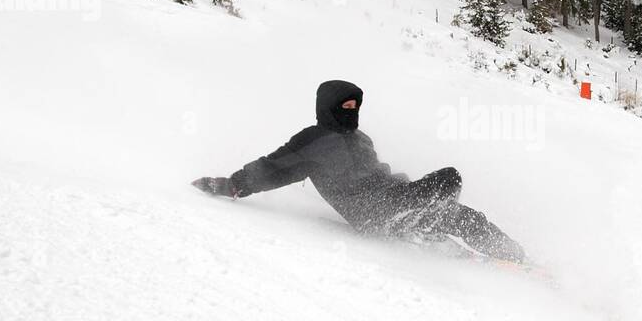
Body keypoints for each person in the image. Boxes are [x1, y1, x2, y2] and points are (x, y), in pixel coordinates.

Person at [193, 79, 526, 262]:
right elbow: (274, 168)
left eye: (356, 106)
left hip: (394, 199)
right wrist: (231, 185)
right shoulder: (313, 139)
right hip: (371, 212)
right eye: (345, 106)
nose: (352, 112)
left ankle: (516, 258)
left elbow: (379, 174)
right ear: (329, 108)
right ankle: (420, 232)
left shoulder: (361, 138)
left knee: (461, 211)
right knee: (446, 179)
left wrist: (409, 190)